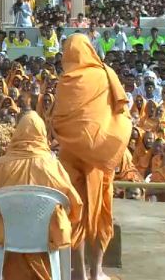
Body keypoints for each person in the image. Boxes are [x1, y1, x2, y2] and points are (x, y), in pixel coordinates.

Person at [51, 34, 131, 280]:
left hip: (71, 154)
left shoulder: (65, 81)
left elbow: (56, 122)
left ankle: (78, 273)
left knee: (75, 214)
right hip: (99, 153)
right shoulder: (106, 74)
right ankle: (96, 272)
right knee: (99, 214)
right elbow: (121, 110)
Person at [0, 110, 83, 280]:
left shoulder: (1, 165)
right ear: (42, 134)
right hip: (46, 236)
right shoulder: (53, 166)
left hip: (6, 234)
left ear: (17, 133)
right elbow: (74, 205)